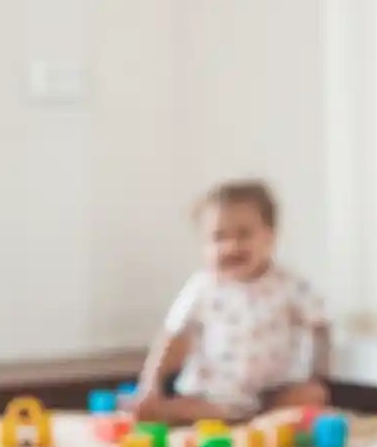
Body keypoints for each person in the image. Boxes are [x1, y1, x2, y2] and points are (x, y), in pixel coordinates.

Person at [133, 180, 330, 424]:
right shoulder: (202, 286)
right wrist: (150, 385)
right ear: (204, 245)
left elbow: (319, 327)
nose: (231, 246)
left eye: (244, 234)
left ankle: (258, 417)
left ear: (270, 237)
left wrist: (316, 375)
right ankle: (208, 414)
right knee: (179, 407)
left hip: (271, 393)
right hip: (212, 393)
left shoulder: (289, 284)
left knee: (313, 396)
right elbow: (174, 335)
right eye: (218, 237)